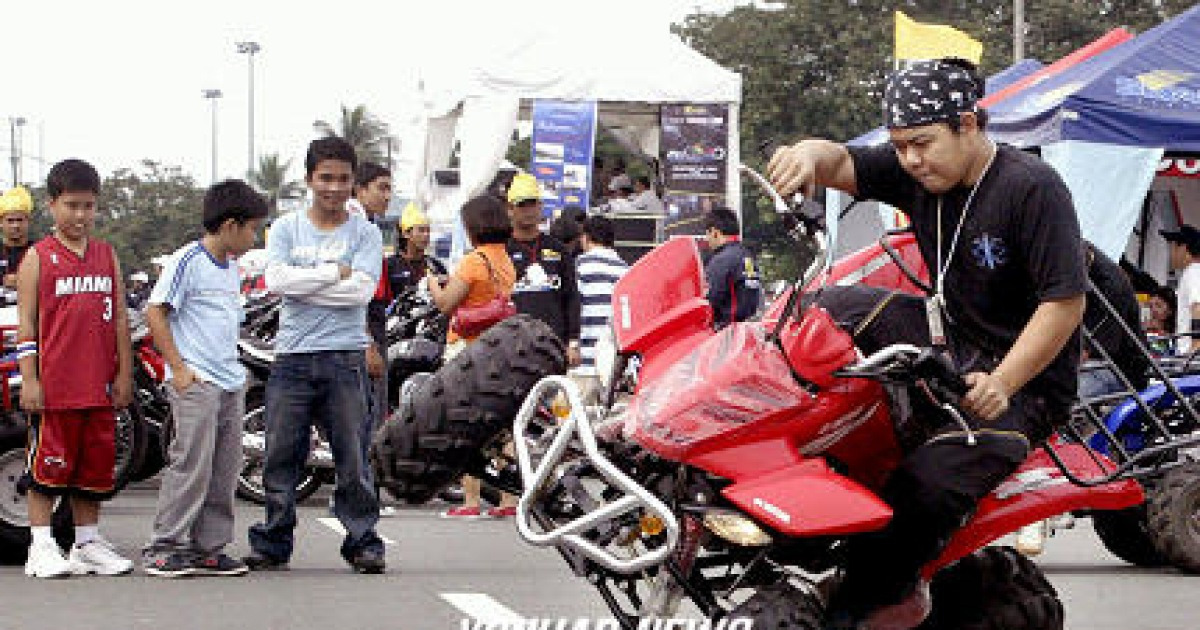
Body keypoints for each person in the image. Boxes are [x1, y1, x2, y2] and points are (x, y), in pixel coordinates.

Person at [766, 58, 1087, 629]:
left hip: (1025, 381)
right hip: (951, 343)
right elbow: (838, 160)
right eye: (899, 146)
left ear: (968, 123)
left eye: (921, 143)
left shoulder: (1031, 188)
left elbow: (1063, 304)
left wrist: (1004, 382)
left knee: (925, 485)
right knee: (836, 305)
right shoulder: (917, 172)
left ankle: (871, 599)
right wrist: (805, 156)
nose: (910, 160)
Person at [244, 137, 386, 574]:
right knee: (280, 456)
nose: (334, 187)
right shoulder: (285, 229)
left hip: (344, 357)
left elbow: (361, 291)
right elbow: (278, 282)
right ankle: (273, 541)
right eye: (325, 178)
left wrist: (308, 283)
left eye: (343, 179)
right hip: (291, 357)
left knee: (353, 458)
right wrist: (331, 274)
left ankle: (363, 541)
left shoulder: (366, 232)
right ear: (309, 180)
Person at [141, 180, 268, 577]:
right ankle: (164, 546)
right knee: (191, 464)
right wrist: (178, 369)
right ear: (230, 225)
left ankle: (208, 548)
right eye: (252, 228)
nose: (255, 236)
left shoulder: (230, 266)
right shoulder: (187, 261)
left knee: (224, 467)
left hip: (229, 380)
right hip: (197, 380)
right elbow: (155, 312)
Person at [18, 159, 135, 578]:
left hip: (98, 385)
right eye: (72, 205)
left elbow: (120, 317)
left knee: (94, 468)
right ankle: (41, 545)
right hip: (56, 386)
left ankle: (87, 543)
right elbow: (27, 324)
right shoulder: (39, 257)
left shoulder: (106, 255)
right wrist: (30, 379)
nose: (81, 215)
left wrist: (124, 374)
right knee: (48, 468)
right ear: (51, 205)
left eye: (88, 206)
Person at [427, 194, 516, 519]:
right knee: (502, 428)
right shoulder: (505, 259)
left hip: (467, 348)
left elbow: (446, 304)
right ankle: (508, 500)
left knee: (463, 426)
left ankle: (471, 500)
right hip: (498, 349)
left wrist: (432, 285)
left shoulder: (473, 261)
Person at [505, 173, 581, 365]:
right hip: (511, 347)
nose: (528, 211)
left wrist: (573, 342)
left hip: (552, 345)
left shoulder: (558, 248)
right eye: (522, 205)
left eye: (533, 204)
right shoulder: (501, 251)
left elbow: (571, 296)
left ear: (541, 206)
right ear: (510, 209)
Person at [576, 216, 629, 381]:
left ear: (586, 237)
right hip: (614, 366)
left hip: (584, 363)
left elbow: (572, 309)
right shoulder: (626, 270)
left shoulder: (579, 266)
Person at [703, 207, 761, 329]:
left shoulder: (721, 260)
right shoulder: (747, 256)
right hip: (748, 330)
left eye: (707, 234)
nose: (706, 239)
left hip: (727, 333)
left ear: (714, 232)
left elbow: (709, 301)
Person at [1162, 224, 1200, 355]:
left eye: (1172, 247)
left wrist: (1195, 346)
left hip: (1191, 355)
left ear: (1183, 248)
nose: (1170, 253)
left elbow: (1198, 308)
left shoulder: (1193, 272)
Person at [0, 186, 34, 306]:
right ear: (1, 223)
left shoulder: (40, 251)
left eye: (20, 220)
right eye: (10, 220)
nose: (15, 225)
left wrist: (25, 281)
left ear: (28, 221)